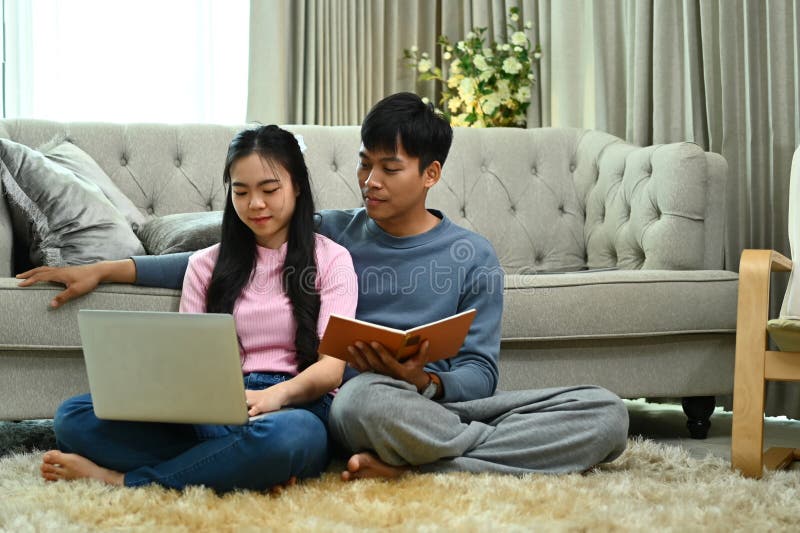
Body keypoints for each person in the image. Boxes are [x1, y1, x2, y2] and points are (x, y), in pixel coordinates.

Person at [20, 92, 628, 482]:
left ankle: (428, 465)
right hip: (358, 404)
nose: (369, 181)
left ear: (431, 174)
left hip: (428, 403)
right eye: (365, 164)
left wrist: (421, 378)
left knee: (606, 413)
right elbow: (224, 258)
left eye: (389, 169)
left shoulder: (472, 255)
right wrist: (108, 268)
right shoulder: (333, 232)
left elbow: (481, 374)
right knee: (359, 401)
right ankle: (440, 457)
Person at [35, 125, 358, 492]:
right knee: (73, 417)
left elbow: (332, 370)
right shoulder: (205, 265)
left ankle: (127, 479)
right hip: (215, 408)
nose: (255, 204)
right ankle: (240, 466)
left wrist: (274, 396)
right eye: (241, 191)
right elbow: (191, 365)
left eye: (269, 190)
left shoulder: (333, 260)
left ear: (297, 186)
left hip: (296, 407)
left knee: (291, 438)